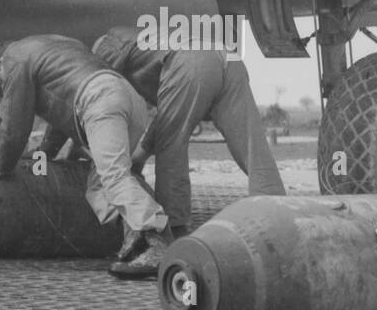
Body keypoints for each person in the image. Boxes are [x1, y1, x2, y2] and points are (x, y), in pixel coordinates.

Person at [0, 35, 171, 277]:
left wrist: (2, 167)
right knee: (98, 184)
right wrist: (44, 155)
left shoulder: (12, 60)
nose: (2, 84)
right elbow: (61, 113)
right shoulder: (51, 46)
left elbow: (15, 125)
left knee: (114, 177)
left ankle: (157, 243)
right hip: (128, 100)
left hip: (99, 100)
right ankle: (138, 241)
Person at [91, 27, 286, 241]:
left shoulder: (106, 46)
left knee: (170, 147)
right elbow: (165, 117)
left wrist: (70, 144)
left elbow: (91, 98)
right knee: (251, 144)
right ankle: (279, 216)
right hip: (226, 56)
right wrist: (141, 155)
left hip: (191, 59)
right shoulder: (143, 41)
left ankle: (174, 228)